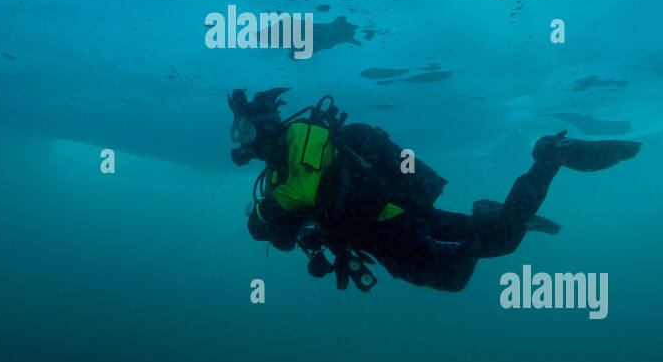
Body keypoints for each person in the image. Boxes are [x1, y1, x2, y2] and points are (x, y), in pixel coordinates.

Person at [229, 88, 640, 293]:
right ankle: (492, 212)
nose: (240, 139)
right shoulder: (288, 164)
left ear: (266, 126)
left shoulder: (301, 152)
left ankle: (550, 155)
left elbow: (285, 209)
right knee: (454, 277)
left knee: (499, 243)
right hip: (387, 233)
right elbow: (286, 231)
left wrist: (261, 214)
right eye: (238, 130)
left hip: (401, 223)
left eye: (245, 128)